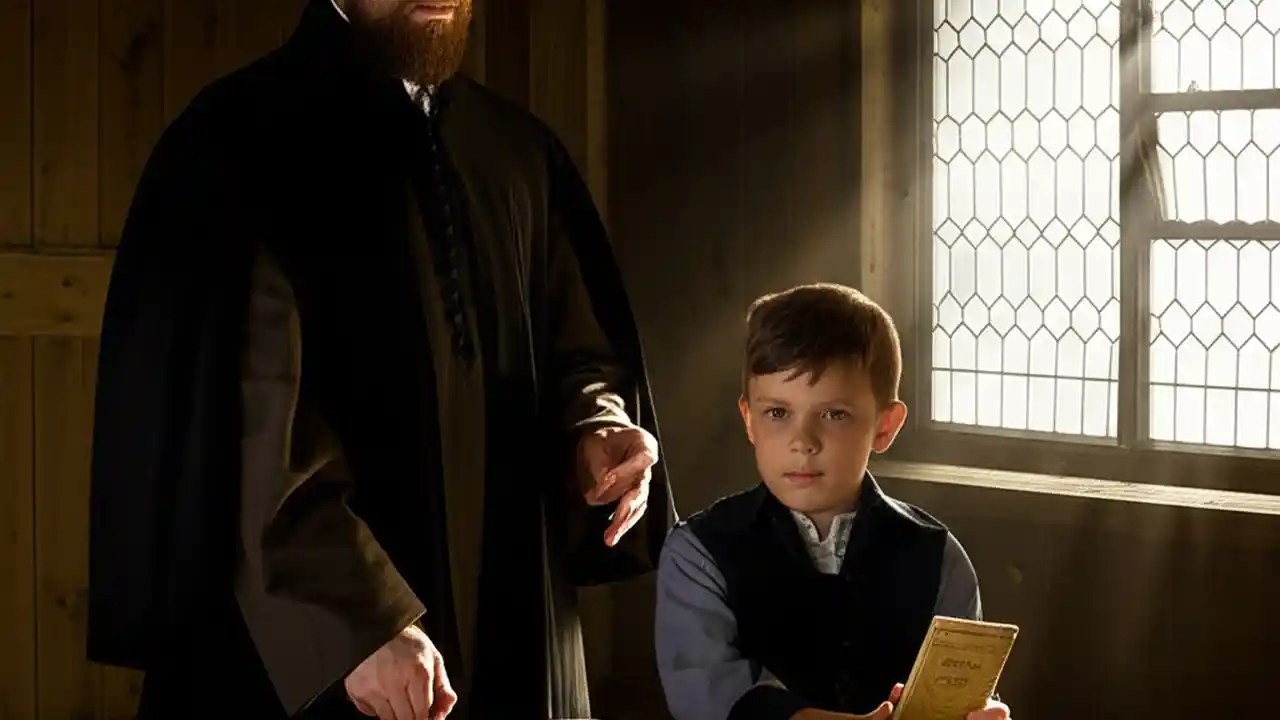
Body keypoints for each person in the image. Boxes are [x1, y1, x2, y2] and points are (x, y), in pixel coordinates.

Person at [84, 1, 674, 718]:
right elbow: (246, 418)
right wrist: (356, 620)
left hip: (512, 619)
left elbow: (578, 347)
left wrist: (596, 426)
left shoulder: (517, 150)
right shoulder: (237, 143)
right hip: (318, 654)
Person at [653, 284, 1012, 720]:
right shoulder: (698, 552)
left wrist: (979, 714)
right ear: (749, 419)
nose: (803, 442)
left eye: (834, 414)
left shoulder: (939, 558)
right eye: (778, 413)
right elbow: (706, 702)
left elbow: (960, 694)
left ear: (885, 425)